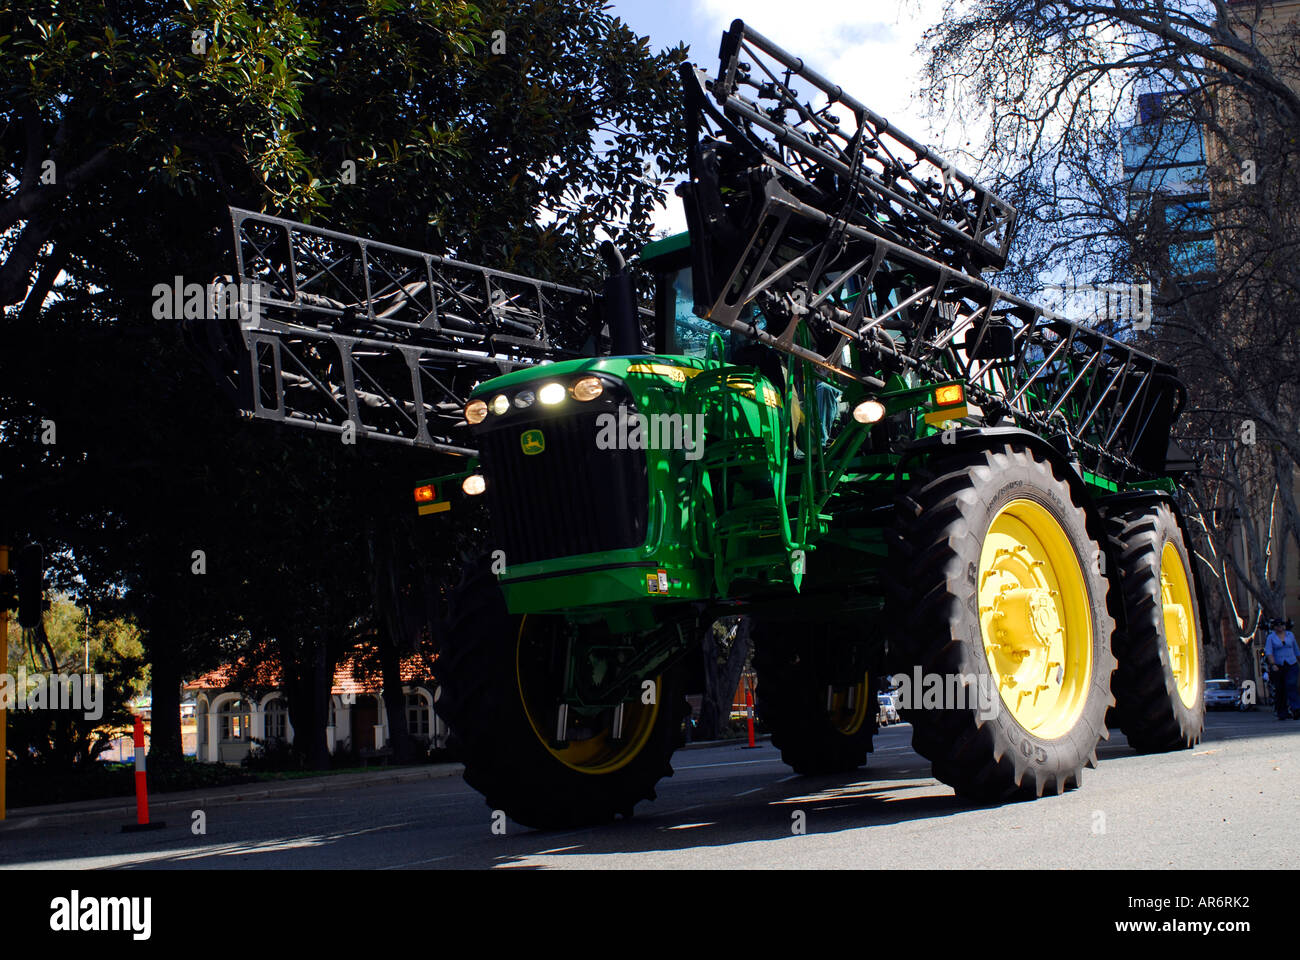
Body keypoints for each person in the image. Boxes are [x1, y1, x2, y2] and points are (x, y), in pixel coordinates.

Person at [1264, 618, 1300, 720]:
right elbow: (1269, 652)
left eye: (1281, 625)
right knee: (1280, 689)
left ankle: (1296, 709)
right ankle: (1282, 712)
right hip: (1279, 666)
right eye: (1277, 625)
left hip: (1292, 664)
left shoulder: (1290, 635)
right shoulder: (1271, 638)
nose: (1280, 627)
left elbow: (1296, 649)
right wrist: (1273, 664)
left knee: (1291, 684)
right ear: (1274, 627)